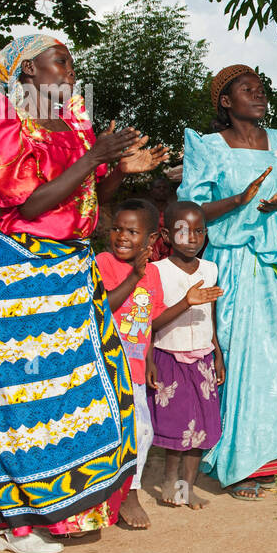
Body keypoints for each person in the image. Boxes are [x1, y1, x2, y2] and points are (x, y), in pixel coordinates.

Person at [0, 34, 166, 553]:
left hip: (74, 275)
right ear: (28, 72)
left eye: (72, 62)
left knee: (91, 397)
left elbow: (92, 197)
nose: (70, 71)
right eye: (59, 62)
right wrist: (95, 155)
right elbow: (31, 204)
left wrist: (121, 169)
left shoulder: (76, 120)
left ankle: (67, 514)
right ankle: (14, 525)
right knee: (24, 401)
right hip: (24, 277)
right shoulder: (8, 116)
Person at [180, 65, 277, 500]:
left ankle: (272, 453)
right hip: (234, 258)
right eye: (247, 89)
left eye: (261, 88)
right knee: (238, 353)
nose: (258, 95)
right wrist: (239, 201)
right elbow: (192, 210)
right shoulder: (209, 147)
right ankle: (238, 460)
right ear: (225, 101)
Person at [147, 201, 226, 509]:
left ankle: (186, 487)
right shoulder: (157, 271)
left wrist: (217, 354)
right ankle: (168, 480)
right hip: (169, 356)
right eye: (182, 231)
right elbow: (151, 324)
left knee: (201, 427)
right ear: (166, 235)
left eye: (198, 231)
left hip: (204, 358)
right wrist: (151, 360)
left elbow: (212, 314)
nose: (191, 238)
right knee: (176, 425)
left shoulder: (210, 269)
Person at [96, 198, 166, 529]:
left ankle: (130, 489)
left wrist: (150, 359)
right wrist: (132, 276)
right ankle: (114, 496)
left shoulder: (153, 273)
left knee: (143, 431)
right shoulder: (103, 262)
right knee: (106, 433)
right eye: (117, 229)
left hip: (135, 371)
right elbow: (102, 307)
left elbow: (151, 321)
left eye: (132, 231)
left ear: (151, 239)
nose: (122, 236)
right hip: (104, 369)